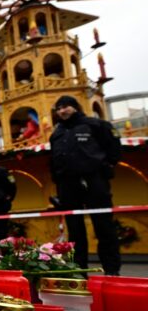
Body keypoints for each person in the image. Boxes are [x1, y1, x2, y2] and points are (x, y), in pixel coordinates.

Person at [50, 95, 121, 275]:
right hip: (68, 185)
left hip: (94, 181)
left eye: (65, 107)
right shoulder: (56, 133)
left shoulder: (95, 125)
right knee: (75, 231)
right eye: (58, 109)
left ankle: (111, 270)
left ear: (75, 107)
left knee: (104, 227)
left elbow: (114, 148)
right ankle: (79, 271)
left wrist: (104, 167)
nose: (61, 111)